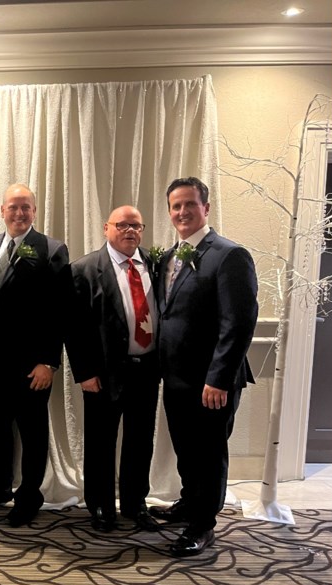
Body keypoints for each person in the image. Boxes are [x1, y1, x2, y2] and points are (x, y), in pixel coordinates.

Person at [151, 177, 258, 556]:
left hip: (212, 383)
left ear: (206, 208)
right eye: (176, 206)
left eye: (190, 205)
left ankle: (202, 524)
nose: (182, 212)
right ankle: (188, 502)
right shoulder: (166, 257)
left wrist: (218, 378)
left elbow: (239, 323)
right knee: (185, 448)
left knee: (209, 453)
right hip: (177, 378)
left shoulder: (229, 255)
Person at [0, 183, 71, 527]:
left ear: (34, 211)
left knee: (32, 432)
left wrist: (49, 361)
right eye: (13, 207)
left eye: (25, 207)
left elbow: (60, 310)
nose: (19, 213)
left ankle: (29, 494)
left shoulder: (52, 249)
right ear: (2, 211)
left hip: (32, 365)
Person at [67, 205, 161, 533]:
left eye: (136, 225)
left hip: (148, 371)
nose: (129, 231)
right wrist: (84, 373)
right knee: (101, 443)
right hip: (103, 375)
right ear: (107, 228)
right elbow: (74, 328)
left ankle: (136, 504)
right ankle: (101, 506)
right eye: (122, 225)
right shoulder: (84, 269)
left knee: (140, 441)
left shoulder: (155, 263)